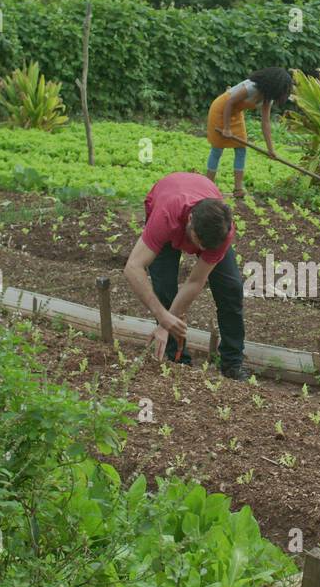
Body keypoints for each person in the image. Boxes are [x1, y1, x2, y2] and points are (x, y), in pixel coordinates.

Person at [123, 172, 249, 380]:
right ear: (190, 221)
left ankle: (232, 363)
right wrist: (163, 318)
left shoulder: (223, 230)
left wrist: (166, 323)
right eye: (198, 243)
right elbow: (133, 267)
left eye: (206, 248)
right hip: (167, 203)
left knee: (231, 288)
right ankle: (177, 360)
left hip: (201, 214)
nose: (199, 250)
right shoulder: (165, 216)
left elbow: (196, 280)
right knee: (164, 288)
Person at [206, 67, 292, 198]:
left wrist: (271, 150)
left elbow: (266, 123)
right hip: (221, 110)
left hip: (236, 114)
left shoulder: (267, 98)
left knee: (241, 149)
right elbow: (230, 102)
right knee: (217, 149)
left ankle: (238, 189)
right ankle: (207, 187)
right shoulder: (252, 87)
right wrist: (227, 128)